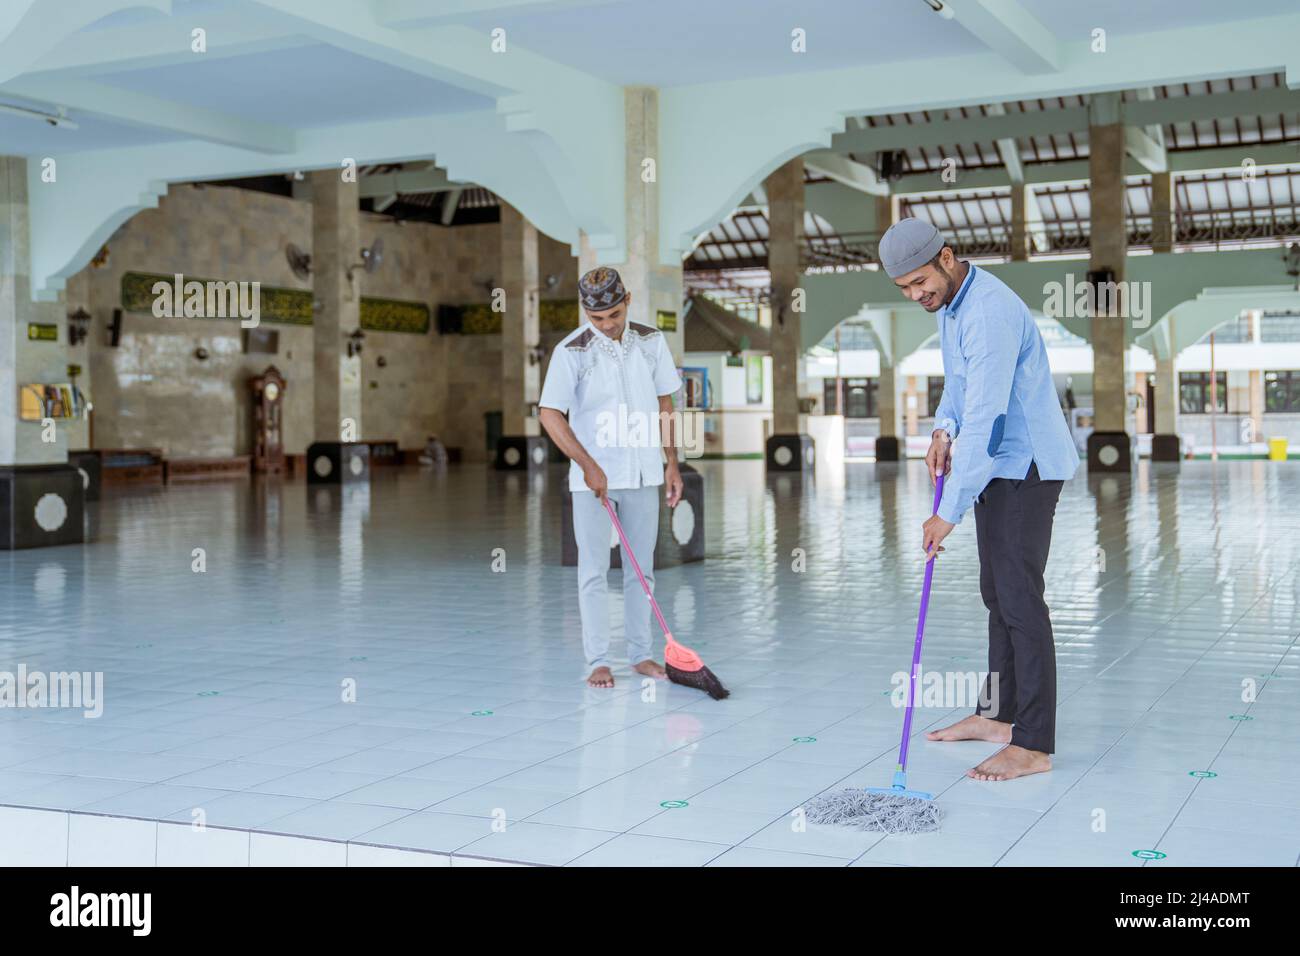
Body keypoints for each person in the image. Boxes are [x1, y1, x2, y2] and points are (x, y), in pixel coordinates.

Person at [878, 218, 1079, 782]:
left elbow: (989, 421)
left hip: (1026, 465)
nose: (917, 295)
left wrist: (948, 513)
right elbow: (961, 387)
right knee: (998, 595)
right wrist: (943, 427)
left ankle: (1033, 743)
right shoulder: (953, 306)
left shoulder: (988, 312)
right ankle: (999, 716)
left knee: (1020, 600)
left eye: (921, 282)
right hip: (1000, 465)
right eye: (905, 289)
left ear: (946, 256)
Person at [538, 267, 684, 689]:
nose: (606, 325)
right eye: (597, 318)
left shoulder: (652, 341)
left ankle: (641, 654)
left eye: (614, 315)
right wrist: (586, 463)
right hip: (594, 482)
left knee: (642, 571)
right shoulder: (572, 351)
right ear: (585, 311)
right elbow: (550, 413)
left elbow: (665, 404)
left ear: (628, 301)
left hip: (643, 474)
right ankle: (599, 660)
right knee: (594, 571)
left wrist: (671, 462)